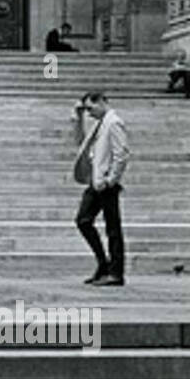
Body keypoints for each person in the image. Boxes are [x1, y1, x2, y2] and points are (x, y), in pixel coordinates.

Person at [72, 91, 130, 287]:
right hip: (95, 181)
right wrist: (78, 117)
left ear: (103, 102)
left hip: (105, 183)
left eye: (91, 108)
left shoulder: (113, 122)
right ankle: (103, 264)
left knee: (113, 228)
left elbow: (121, 154)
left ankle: (116, 273)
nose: (89, 113)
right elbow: (80, 142)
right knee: (83, 220)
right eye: (86, 109)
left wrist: (111, 179)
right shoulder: (98, 123)